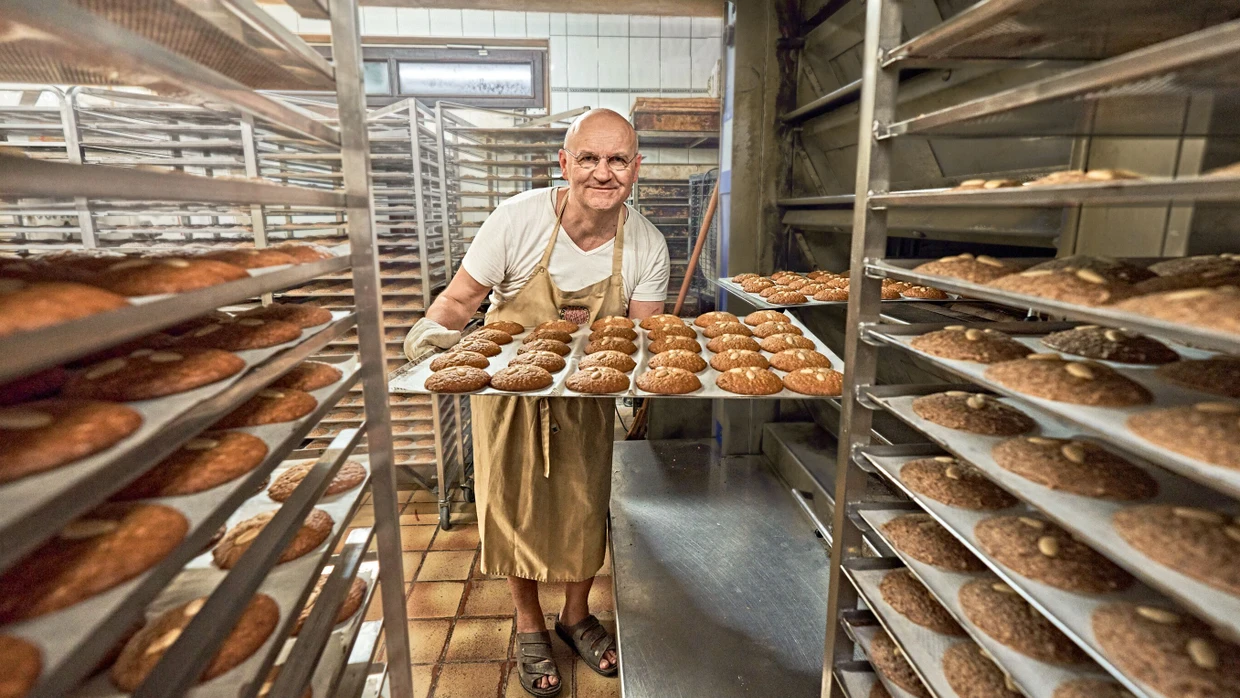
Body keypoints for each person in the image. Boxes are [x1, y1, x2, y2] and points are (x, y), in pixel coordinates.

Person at [403, 108, 671, 697]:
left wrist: (652, 377)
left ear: (636, 168)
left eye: (618, 160)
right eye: (589, 158)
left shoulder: (647, 243)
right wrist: (429, 335)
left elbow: (639, 337)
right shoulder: (516, 220)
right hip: (506, 398)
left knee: (584, 508)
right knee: (511, 509)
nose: (603, 173)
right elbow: (460, 300)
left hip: (587, 402)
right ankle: (528, 623)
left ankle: (575, 616)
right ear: (564, 163)